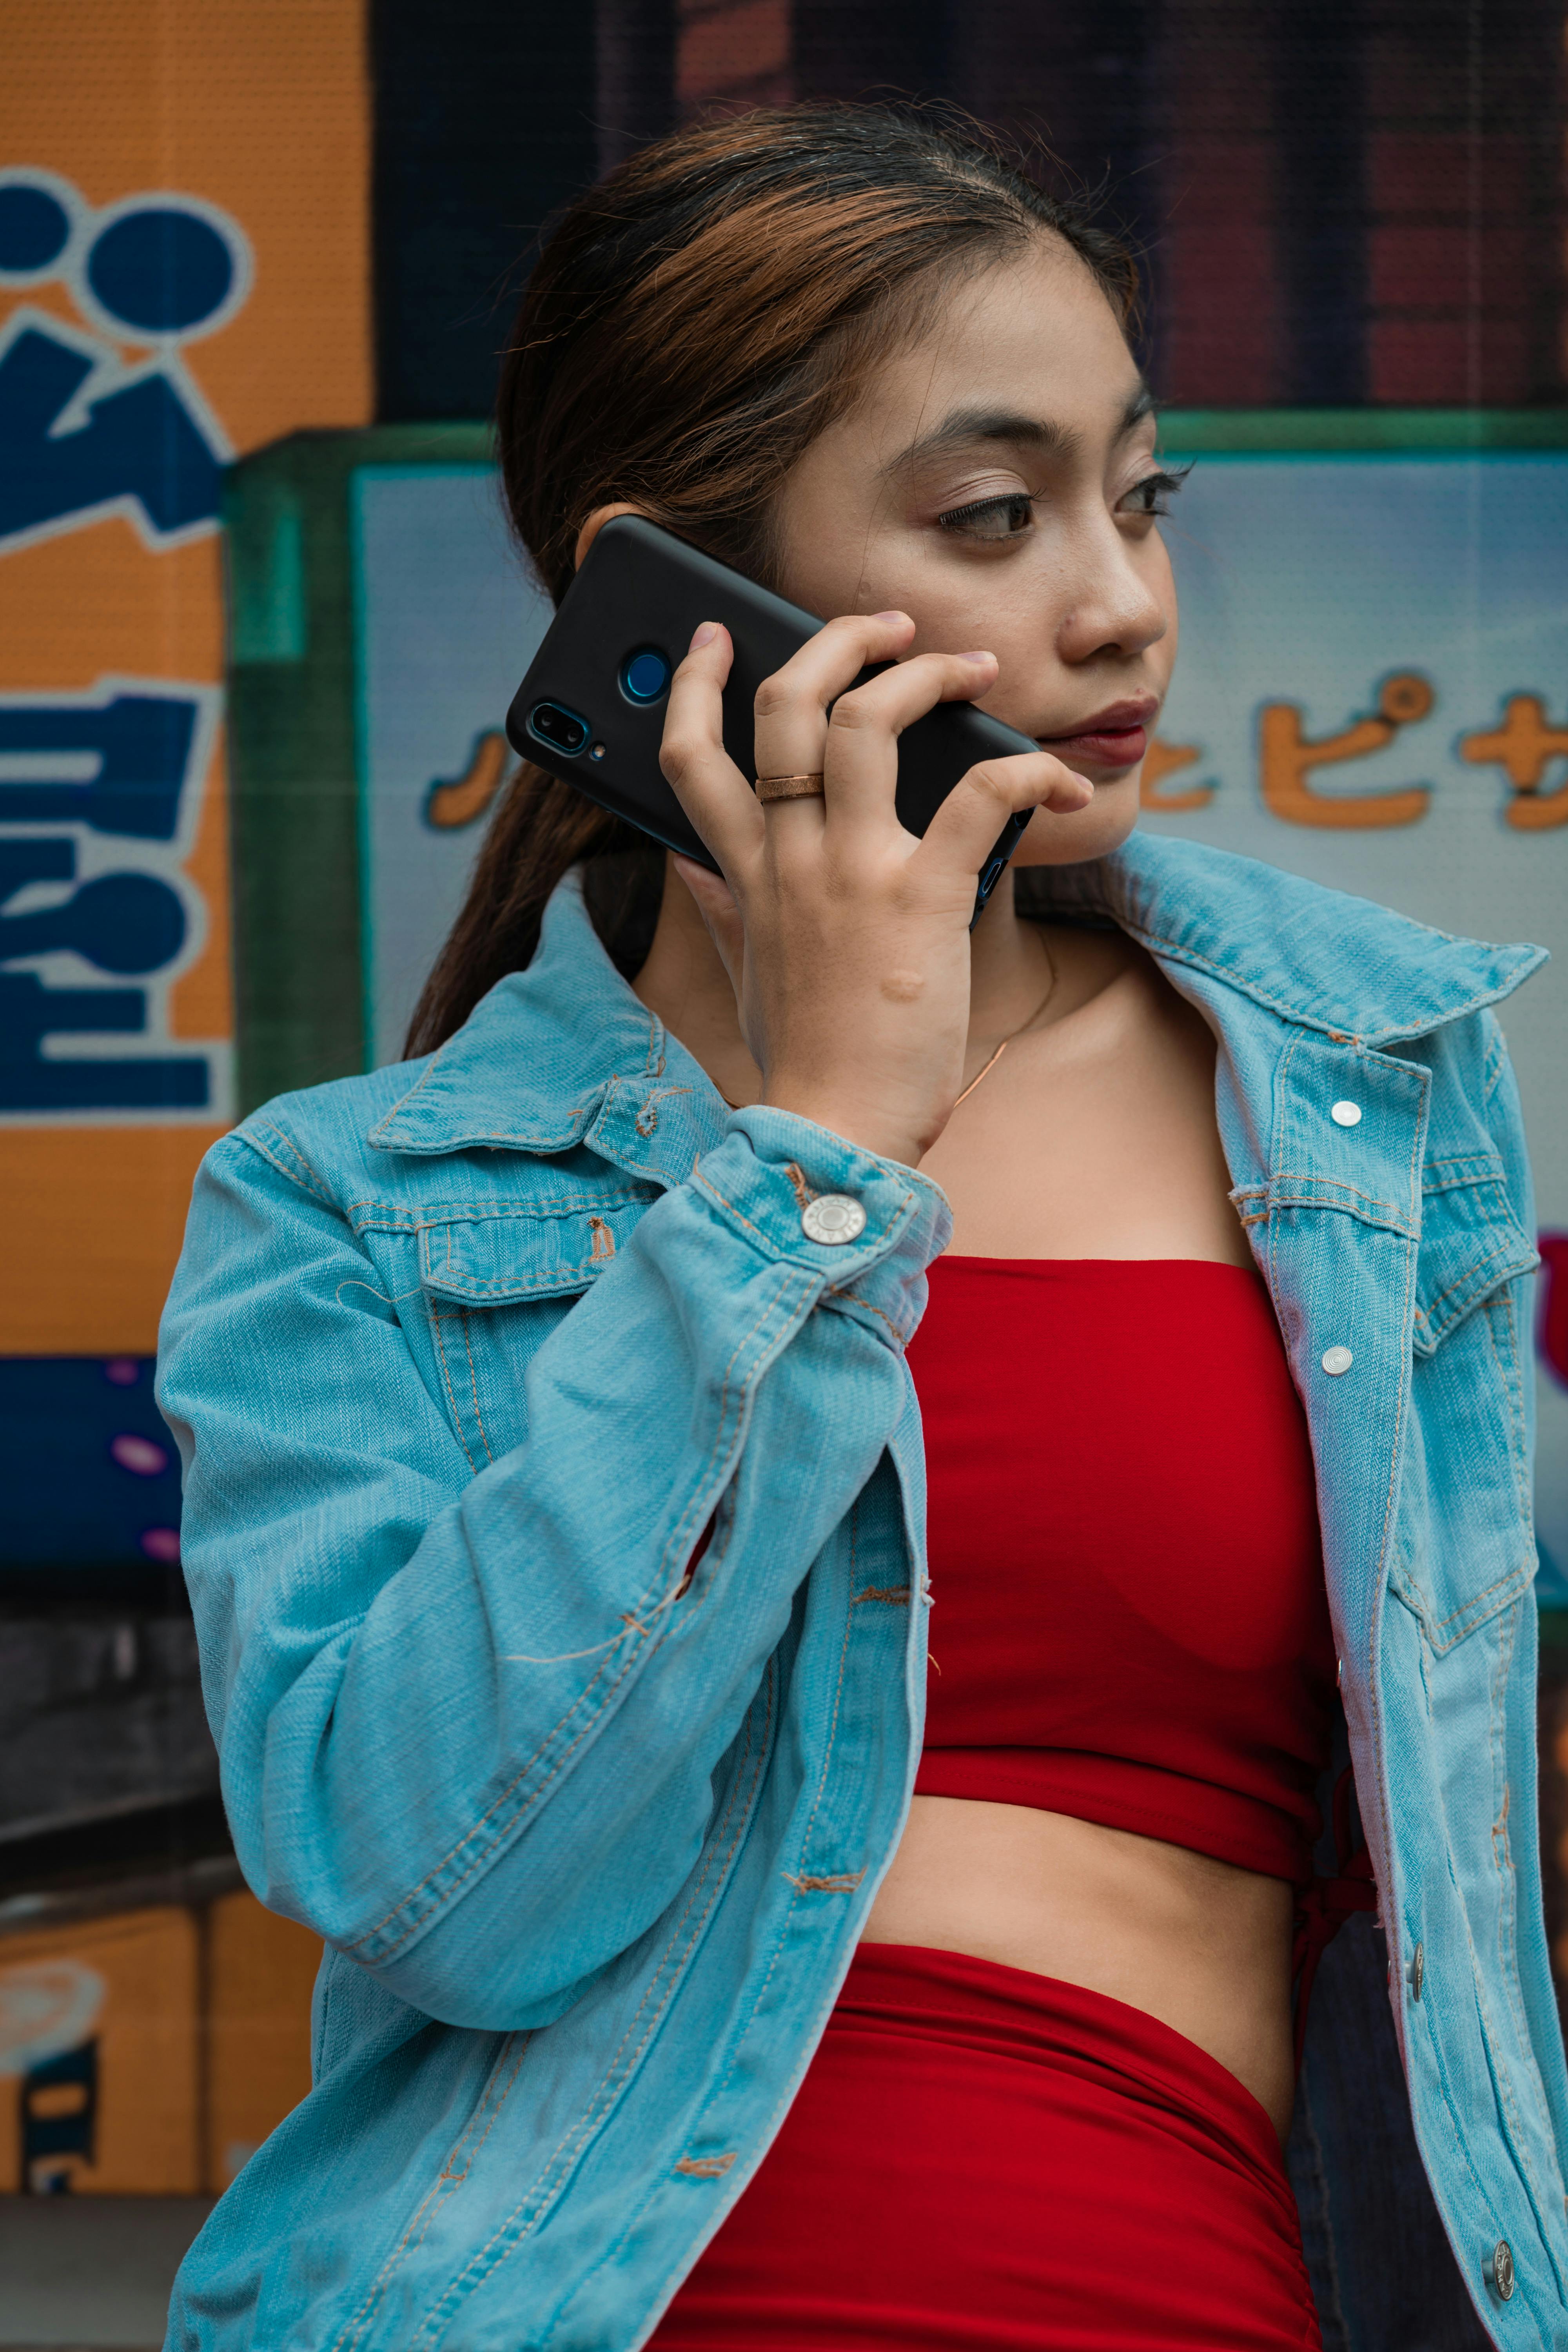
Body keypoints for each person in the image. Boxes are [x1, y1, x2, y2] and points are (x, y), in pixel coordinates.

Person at [157, 105, 1564, 2350]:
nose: (1117, 600)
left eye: (1141, 495)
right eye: (998, 517)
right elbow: (439, 1892)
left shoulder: (1373, 1103)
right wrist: (814, 1150)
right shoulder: (357, 1199)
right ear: (675, 597)